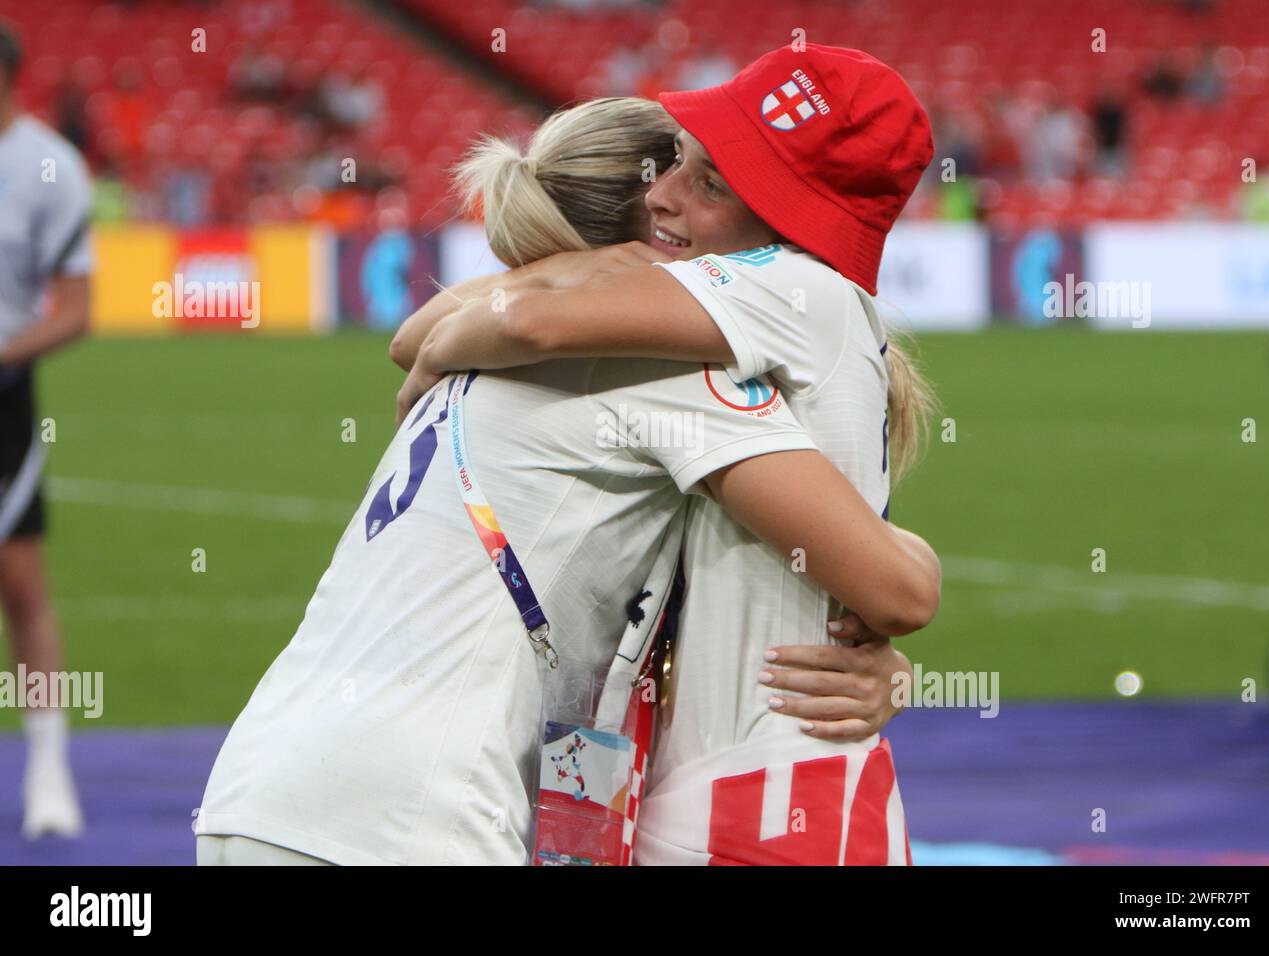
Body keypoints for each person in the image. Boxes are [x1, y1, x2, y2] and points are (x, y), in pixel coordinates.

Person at [196, 95, 939, 867]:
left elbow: (420, 334)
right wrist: (880, 650)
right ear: (656, 241)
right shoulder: (661, 373)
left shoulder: (487, 347)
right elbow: (891, 583)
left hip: (258, 785)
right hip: (411, 815)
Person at [396, 44, 937, 864]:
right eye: (679, 161)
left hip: (766, 797)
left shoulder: (795, 292)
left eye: (711, 181)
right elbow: (893, 577)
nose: (666, 195)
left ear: (793, 226)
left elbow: (496, 326)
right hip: (700, 785)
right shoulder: (753, 337)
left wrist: (446, 352)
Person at [0, 21, 94, 838]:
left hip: (1, 399)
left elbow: (75, 310)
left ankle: (49, 774)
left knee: (20, 583)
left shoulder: (47, 167)